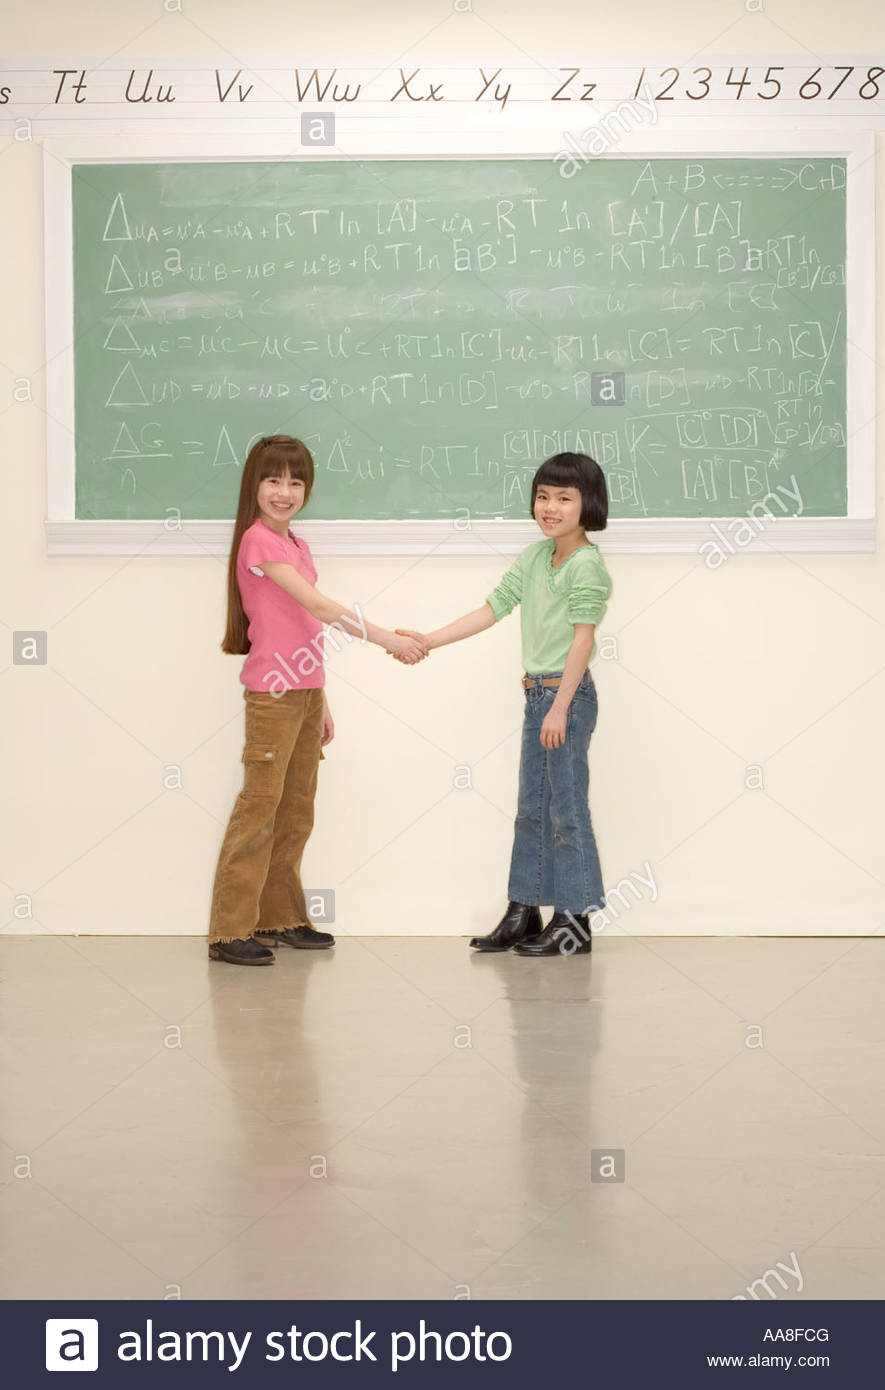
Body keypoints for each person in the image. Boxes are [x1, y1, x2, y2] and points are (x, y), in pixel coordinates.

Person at [207, 434, 426, 966]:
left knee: (296, 810)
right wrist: (388, 639)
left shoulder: (297, 544)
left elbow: (302, 628)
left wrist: (319, 698)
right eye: (273, 480)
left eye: (295, 482)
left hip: (303, 692)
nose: (284, 492)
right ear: (254, 486)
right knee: (259, 807)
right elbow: (319, 607)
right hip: (273, 694)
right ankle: (228, 931)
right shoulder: (258, 542)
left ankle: (280, 917)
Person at [396, 452, 612, 957]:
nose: (550, 507)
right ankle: (524, 910)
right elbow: (492, 609)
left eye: (564, 498)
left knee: (567, 809)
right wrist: (429, 639)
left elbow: (582, 641)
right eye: (543, 496)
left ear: (588, 504)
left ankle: (574, 921)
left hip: (567, 697)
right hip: (536, 695)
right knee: (530, 808)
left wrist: (559, 707)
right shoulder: (536, 558)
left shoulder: (586, 565)